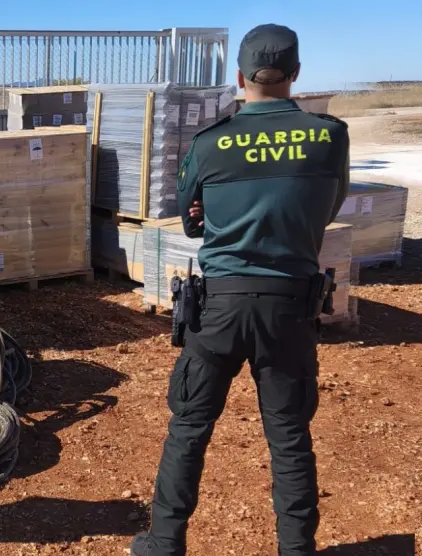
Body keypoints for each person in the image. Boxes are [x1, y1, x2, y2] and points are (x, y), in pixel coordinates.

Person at [131, 24, 350, 556]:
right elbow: (329, 209)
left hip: (220, 308)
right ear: (296, 74)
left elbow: (189, 222)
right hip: (290, 308)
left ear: (239, 78)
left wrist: (220, 214)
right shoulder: (329, 136)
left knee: (189, 426)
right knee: (289, 435)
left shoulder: (210, 143)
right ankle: (296, 549)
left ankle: (164, 543)